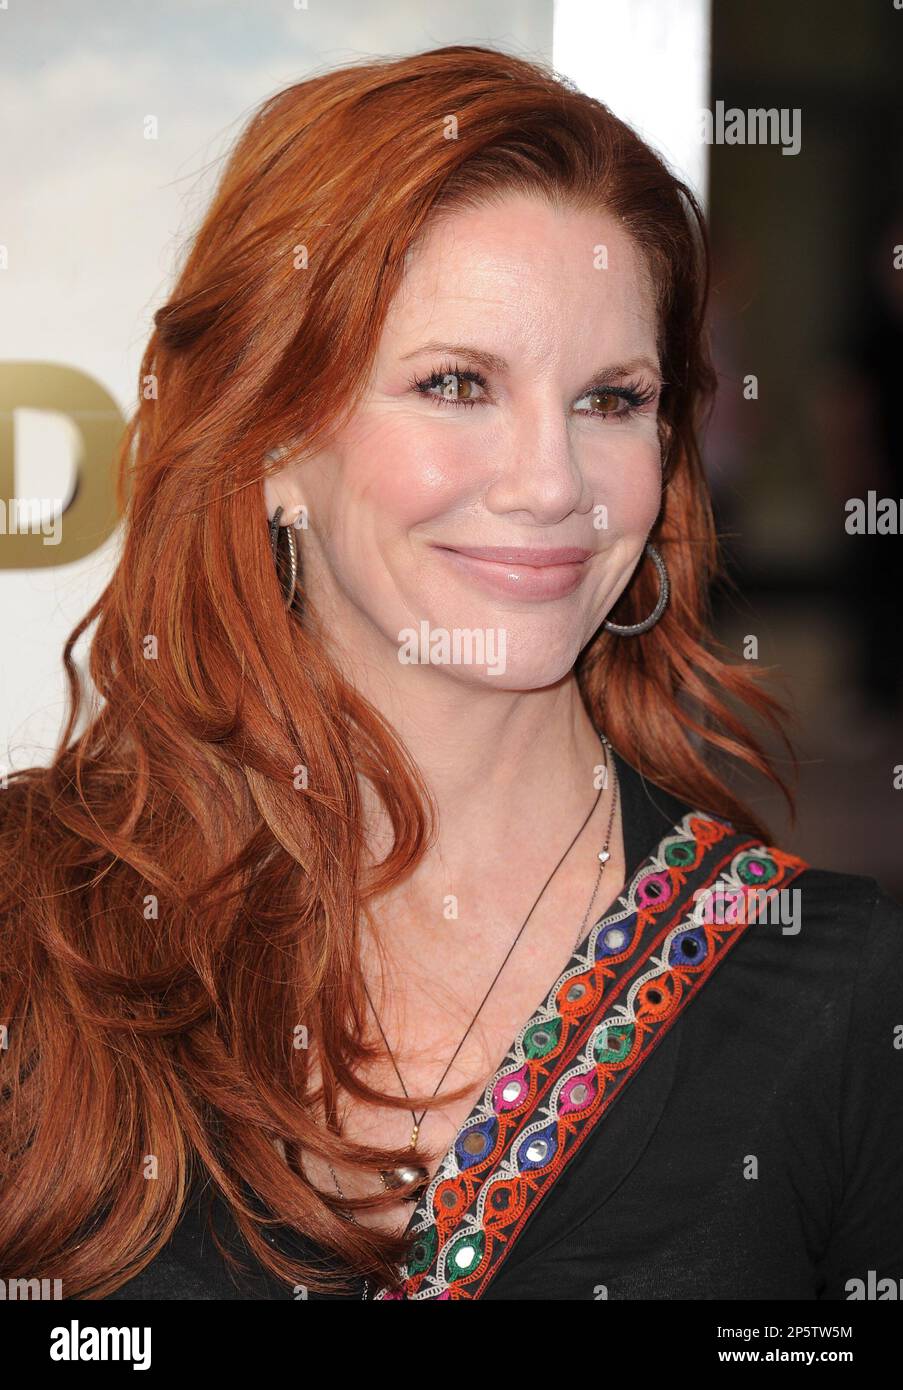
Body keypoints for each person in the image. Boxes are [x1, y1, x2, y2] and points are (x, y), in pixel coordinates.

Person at [1, 44, 901, 1303]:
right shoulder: (35, 919)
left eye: (612, 400)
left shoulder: (844, 993)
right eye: (457, 384)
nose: (551, 483)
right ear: (268, 437)